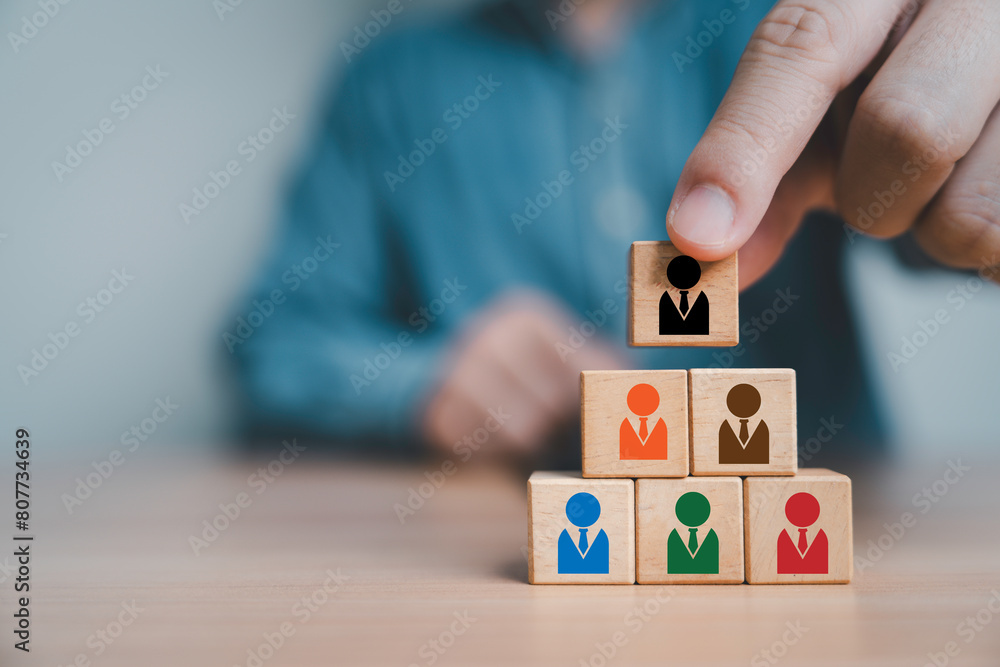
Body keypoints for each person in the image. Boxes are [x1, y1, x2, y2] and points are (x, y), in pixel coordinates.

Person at [232, 0, 1000, 462]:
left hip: (830, 533)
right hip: (523, 552)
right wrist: (423, 385)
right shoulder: (390, 79)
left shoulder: (802, 25)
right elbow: (274, 343)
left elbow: (932, 217)